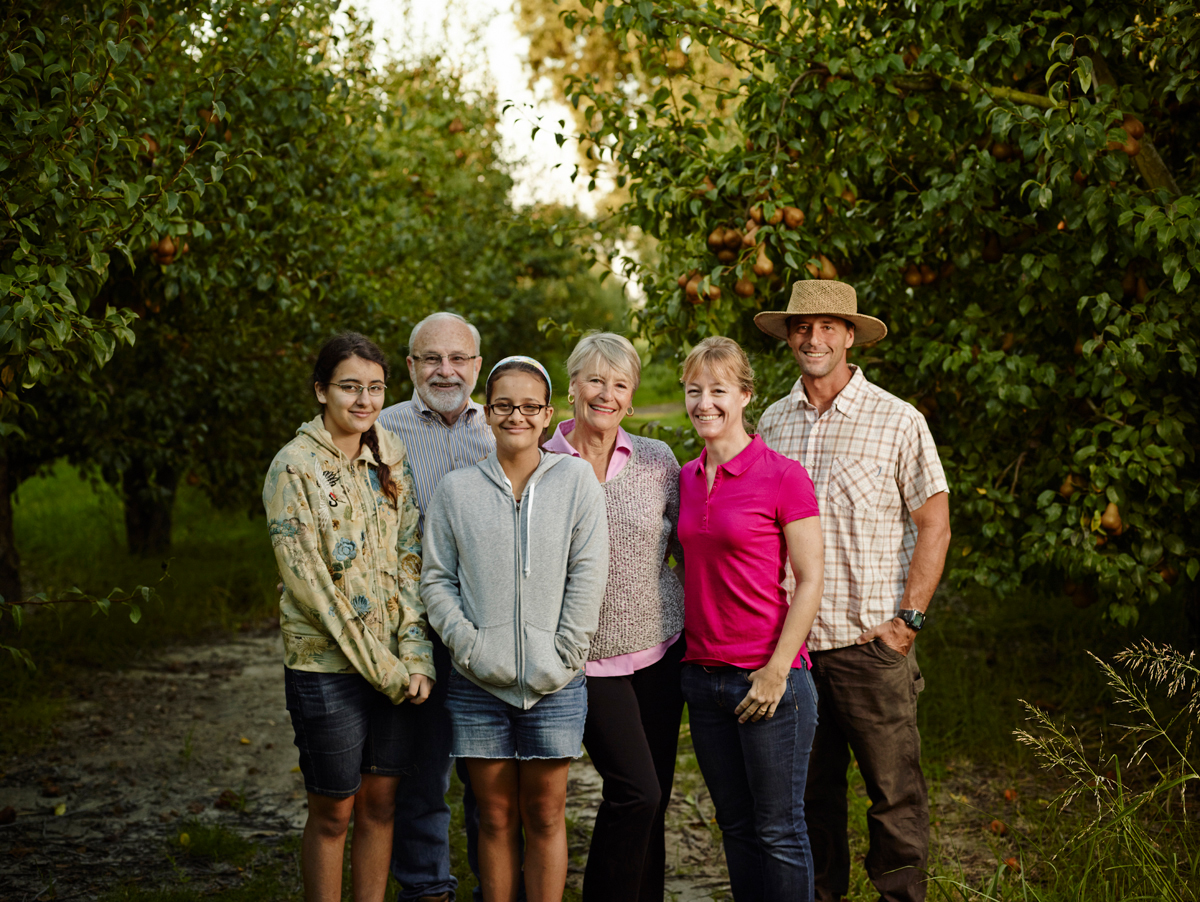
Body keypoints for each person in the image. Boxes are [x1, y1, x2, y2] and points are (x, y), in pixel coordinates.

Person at [753, 281, 952, 902]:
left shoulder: (897, 419)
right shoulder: (771, 421)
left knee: (894, 796)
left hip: (871, 647)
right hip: (796, 651)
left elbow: (934, 522)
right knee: (810, 800)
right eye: (801, 327)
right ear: (788, 336)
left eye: (827, 327)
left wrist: (907, 623)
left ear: (848, 335)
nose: (813, 339)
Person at [421, 356, 609, 902]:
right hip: (479, 684)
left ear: (548, 415)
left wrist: (566, 651)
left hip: (555, 683)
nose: (516, 416)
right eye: (504, 405)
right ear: (488, 413)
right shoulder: (457, 490)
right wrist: (470, 646)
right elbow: (436, 581)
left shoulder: (575, 481)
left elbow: (588, 571)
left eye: (530, 406)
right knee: (496, 817)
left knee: (547, 815)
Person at [264, 332, 436, 902]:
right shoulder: (294, 467)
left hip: (397, 667)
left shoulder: (389, 453)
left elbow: (410, 556)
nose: (363, 400)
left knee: (382, 803)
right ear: (321, 390)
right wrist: (386, 671)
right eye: (349, 387)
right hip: (329, 671)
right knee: (335, 809)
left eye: (374, 388)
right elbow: (311, 586)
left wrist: (414, 654)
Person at [676, 336, 825, 902]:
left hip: (768, 680)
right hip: (702, 678)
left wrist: (776, 669)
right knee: (734, 828)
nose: (704, 403)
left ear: (744, 395)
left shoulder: (782, 475)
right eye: (694, 391)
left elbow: (810, 579)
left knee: (779, 831)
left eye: (718, 390)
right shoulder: (686, 478)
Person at [542, 332, 685, 902]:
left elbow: (689, 543)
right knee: (636, 792)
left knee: (658, 798)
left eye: (619, 384)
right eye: (594, 380)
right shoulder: (542, 461)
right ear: (573, 386)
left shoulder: (657, 460)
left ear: (632, 396)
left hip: (660, 647)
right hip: (585, 657)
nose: (605, 393)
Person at [378, 311, 496, 902]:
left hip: (491, 631)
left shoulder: (504, 424)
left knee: (489, 779)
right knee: (421, 775)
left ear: (477, 365)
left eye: (457, 359)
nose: (445, 371)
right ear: (410, 366)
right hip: (417, 633)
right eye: (431, 358)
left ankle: (496, 888)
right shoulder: (383, 431)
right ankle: (426, 889)